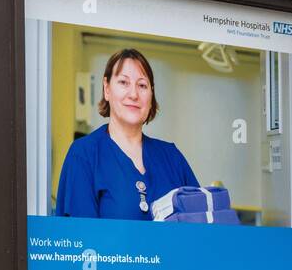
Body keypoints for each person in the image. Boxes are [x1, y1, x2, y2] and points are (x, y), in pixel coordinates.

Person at [55, 48, 198, 220]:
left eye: (142, 85)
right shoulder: (84, 155)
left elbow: (200, 232)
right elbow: (82, 240)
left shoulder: (172, 158)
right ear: (107, 89)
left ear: (151, 96)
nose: (133, 94)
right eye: (124, 82)